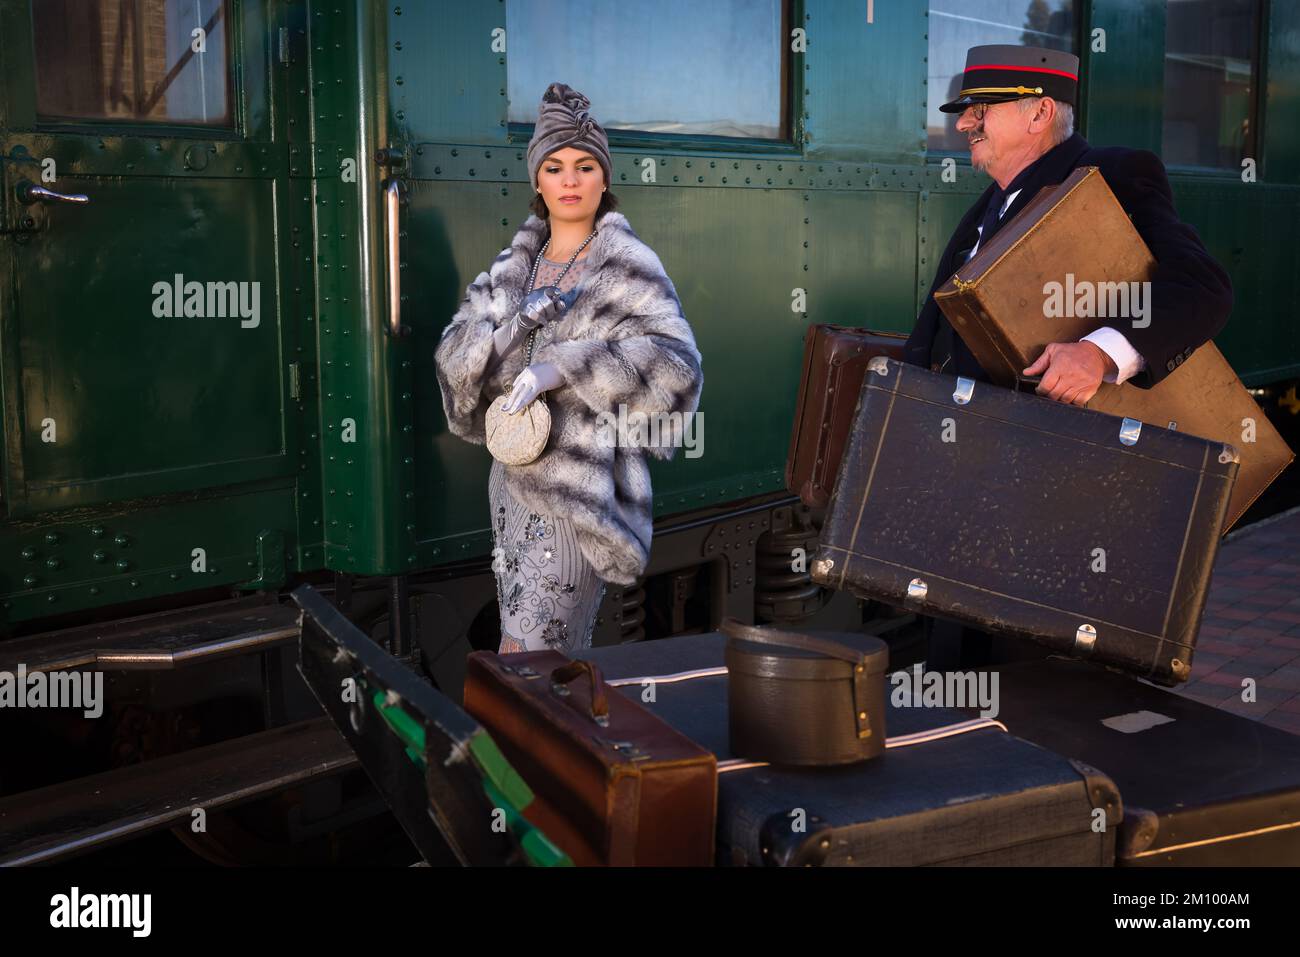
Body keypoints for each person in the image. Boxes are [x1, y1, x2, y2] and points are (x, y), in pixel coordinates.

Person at [904, 45, 1233, 668]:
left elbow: (1203, 287)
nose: (965, 124)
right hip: (965, 488)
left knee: (1028, 686)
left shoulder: (1112, 174)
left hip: (1045, 502)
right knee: (958, 668)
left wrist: (1101, 353)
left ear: (1039, 113)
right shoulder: (990, 205)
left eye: (980, 109)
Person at [434, 83, 703, 654]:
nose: (571, 180)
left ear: (605, 179)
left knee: (534, 655)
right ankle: (555, 745)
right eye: (555, 167)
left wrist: (563, 367)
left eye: (585, 167)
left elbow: (677, 368)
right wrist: (510, 333)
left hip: (576, 495)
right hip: (509, 487)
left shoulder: (629, 266)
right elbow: (453, 351)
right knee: (529, 659)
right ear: (538, 181)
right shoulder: (515, 265)